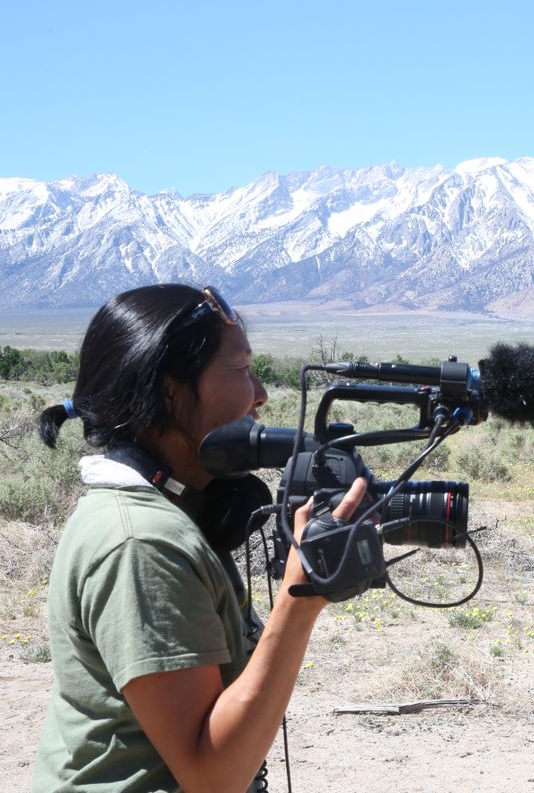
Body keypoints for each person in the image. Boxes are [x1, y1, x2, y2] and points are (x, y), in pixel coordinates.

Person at [33, 284, 366, 792]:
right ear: (170, 391)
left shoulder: (167, 512)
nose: (260, 395)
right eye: (241, 370)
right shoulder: (140, 545)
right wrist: (301, 600)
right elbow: (211, 774)